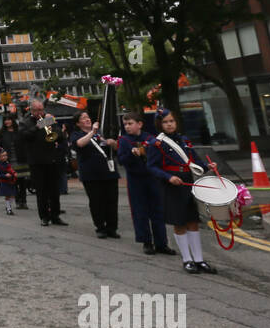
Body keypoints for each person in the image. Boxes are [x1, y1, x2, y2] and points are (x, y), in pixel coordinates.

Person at [146, 108, 212, 274]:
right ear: (160, 124)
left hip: (187, 181)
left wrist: (207, 167)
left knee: (193, 221)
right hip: (172, 184)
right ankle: (187, 259)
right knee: (179, 222)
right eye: (165, 122)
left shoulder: (184, 140)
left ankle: (199, 259)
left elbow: (194, 159)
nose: (169, 124)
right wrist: (168, 177)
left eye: (172, 121)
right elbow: (152, 167)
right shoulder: (156, 143)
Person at [118, 111, 172, 256]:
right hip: (136, 179)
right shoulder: (124, 140)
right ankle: (146, 242)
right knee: (139, 211)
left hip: (152, 178)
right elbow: (121, 160)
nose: (127, 127)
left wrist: (146, 152)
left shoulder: (150, 138)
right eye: (125, 124)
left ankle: (162, 243)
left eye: (130, 124)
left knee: (157, 211)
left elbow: (160, 156)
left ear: (140, 124)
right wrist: (131, 153)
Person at [69, 110, 120, 238]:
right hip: (91, 174)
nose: (87, 119)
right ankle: (100, 227)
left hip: (109, 172)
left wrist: (113, 144)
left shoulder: (101, 134)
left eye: (88, 117)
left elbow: (114, 148)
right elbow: (79, 144)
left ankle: (112, 228)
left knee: (112, 201)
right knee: (97, 201)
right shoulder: (76, 134)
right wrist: (92, 132)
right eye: (83, 118)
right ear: (78, 123)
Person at [20, 99, 67, 227]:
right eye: (38, 110)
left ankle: (55, 216)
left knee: (54, 190)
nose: (41, 112)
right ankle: (44, 216)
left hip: (51, 159)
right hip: (36, 161)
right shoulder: (25, 122)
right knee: (41, 191)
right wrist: (38, 126)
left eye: (42, 109)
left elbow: (60, 135)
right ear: (32, 110)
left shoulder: (48, 119)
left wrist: (55, 131)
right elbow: (25, 136)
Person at [0, 114, 28, 210]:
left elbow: (25, 144)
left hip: (20, 159)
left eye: (9, 120)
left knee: (22, 181)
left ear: (12, 120)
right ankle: (18, 201)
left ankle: (24, 201)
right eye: (5, 120)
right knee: (13, 181)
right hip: (9, 161)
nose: (7, 122)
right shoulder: (2, 133)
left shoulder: (19, 131)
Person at [0, 148, 18, 215]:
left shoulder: (7, 163)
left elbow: (11, 169)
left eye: (6, 155)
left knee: (13, 195)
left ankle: (8, 206)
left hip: (11, 182)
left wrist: (14, 173)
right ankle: (9, 209)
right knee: (7, 196)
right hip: (4, 182)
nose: (5, 157)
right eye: (3, 156)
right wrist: (5, 175)